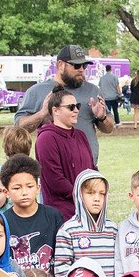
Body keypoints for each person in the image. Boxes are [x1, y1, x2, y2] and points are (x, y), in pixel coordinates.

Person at [16, 46, 118, 155]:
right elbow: (19, 127)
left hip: (87, 167)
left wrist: (102, 117)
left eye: (84, 65)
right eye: (77, 65)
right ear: (60, 65)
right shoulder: (37, 91)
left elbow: (109, 128)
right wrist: (42, 114)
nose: (81, 69)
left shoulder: (92, 91)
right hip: (53, 166)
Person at [34, 86, 98, 219]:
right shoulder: (46, 139)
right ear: (55, 110)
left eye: (77, 106)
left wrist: (96, 192)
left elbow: (92, 168)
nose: (76, 110)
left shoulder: (80, 135)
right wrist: (82, 196)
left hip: (87, 209)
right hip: (62, 214)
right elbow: (55, 179)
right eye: (71, 107)